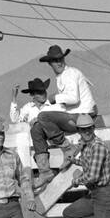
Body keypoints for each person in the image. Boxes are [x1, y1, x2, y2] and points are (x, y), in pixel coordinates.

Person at [30, 45, 97, 191]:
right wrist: (40, 117)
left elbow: (73, 98)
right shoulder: (62, 76)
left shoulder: (70, 74)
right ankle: (44, 171)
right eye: (55, 61)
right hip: (74, 116)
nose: (59, 62)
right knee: (36, 128)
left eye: (60, 59)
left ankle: (67, 148)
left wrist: (55, 97)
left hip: (84, 116)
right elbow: (64, 106)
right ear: (50, 63)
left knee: (43, 117)